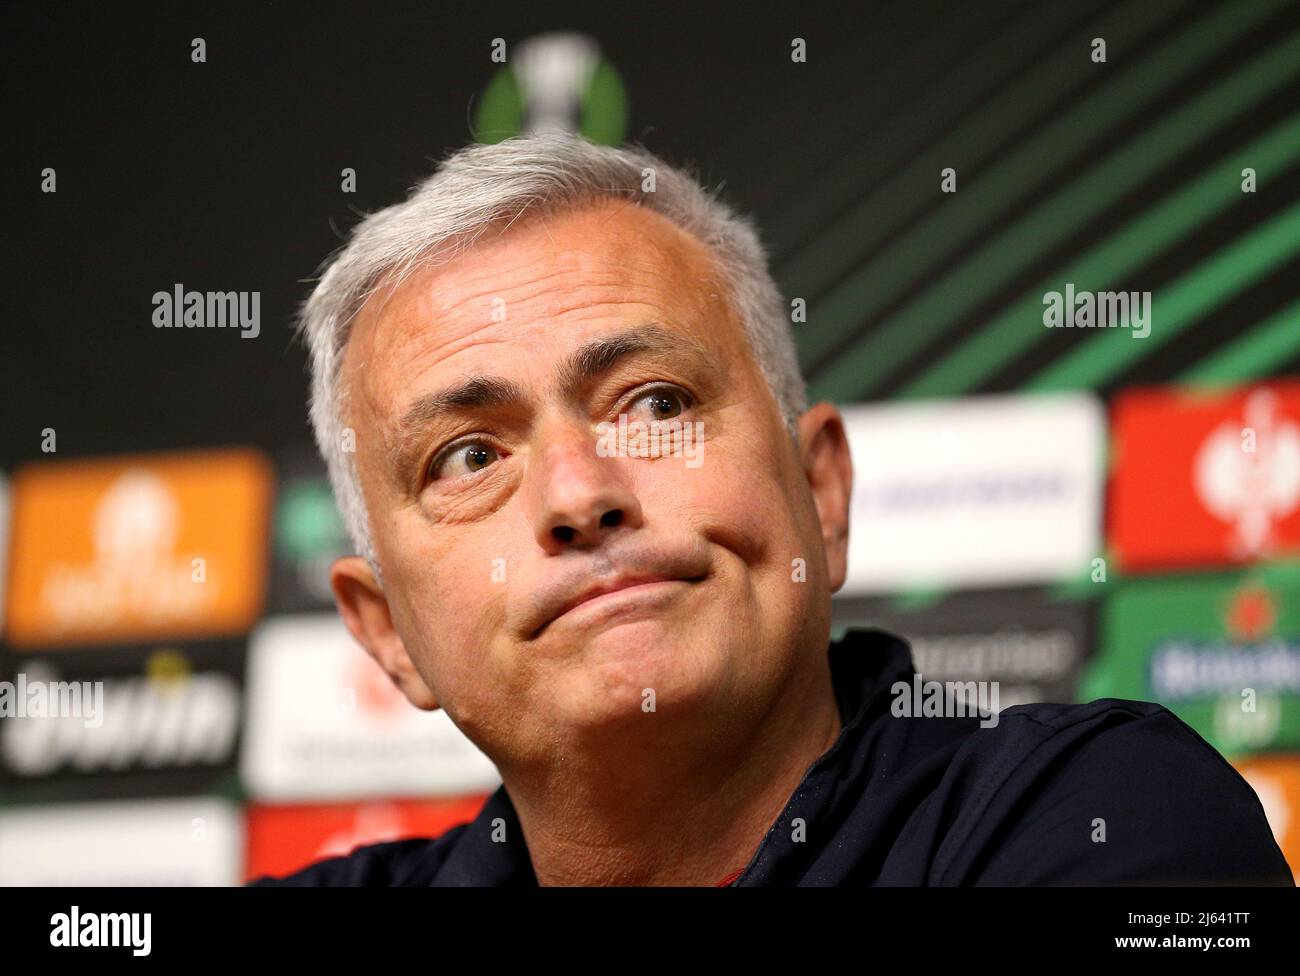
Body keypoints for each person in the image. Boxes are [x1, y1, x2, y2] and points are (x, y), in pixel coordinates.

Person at [250, 134, 1292, 886]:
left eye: (654, 402)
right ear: (387, 634)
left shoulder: (1100, 815)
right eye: (468, 454)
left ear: (822, 493)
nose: (579, 495)